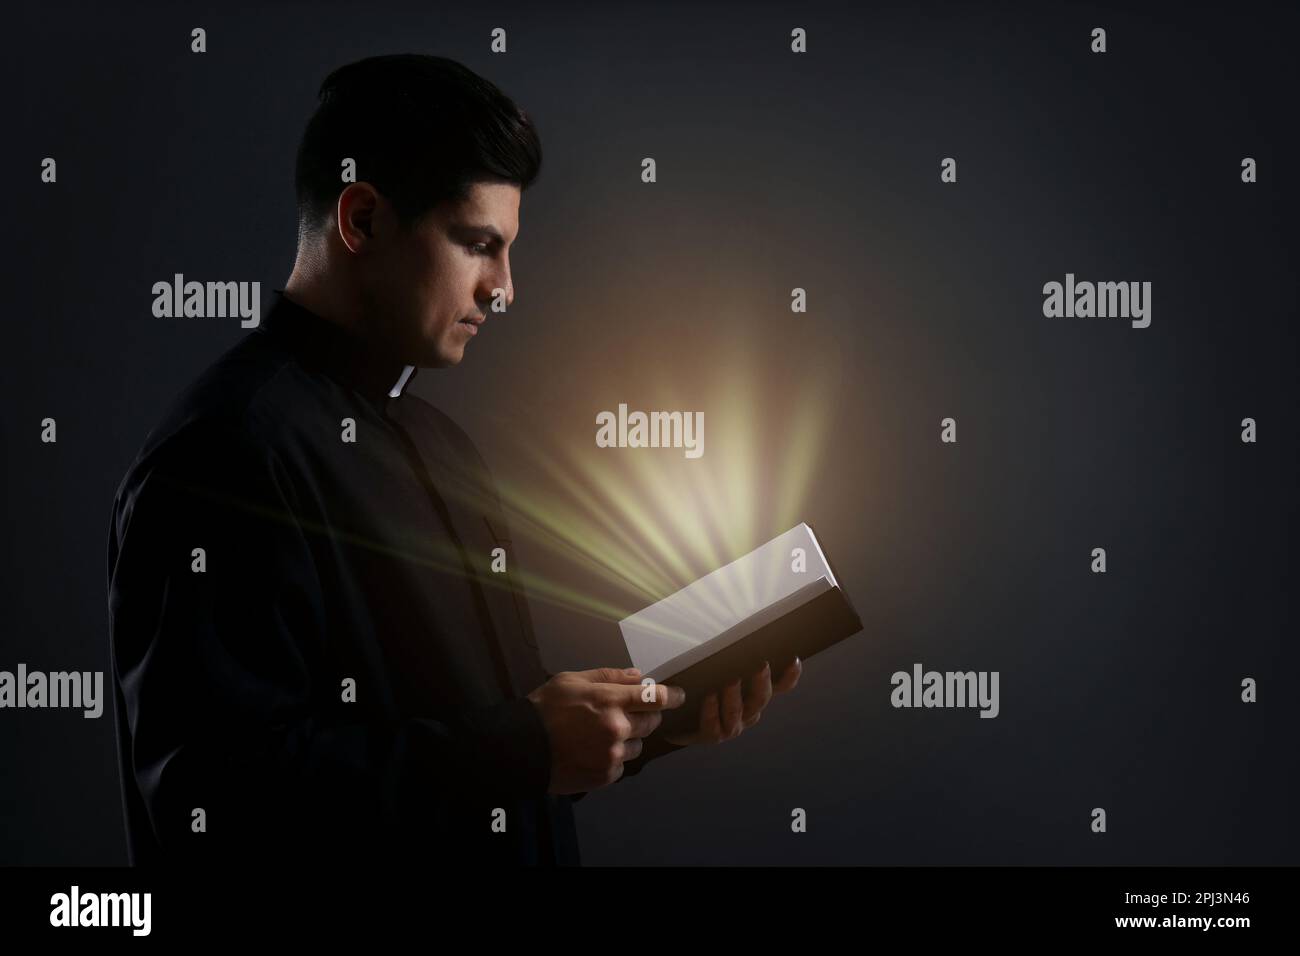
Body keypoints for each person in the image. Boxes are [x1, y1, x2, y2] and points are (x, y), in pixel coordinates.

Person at [106, 54, 801, 867]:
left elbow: (493, 735)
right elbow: (213, 802)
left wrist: (654, 719)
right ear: (363, 219)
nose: (503, 289)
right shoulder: (225, 451)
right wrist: (525, 746)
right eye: (478, 245)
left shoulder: (441, 446)